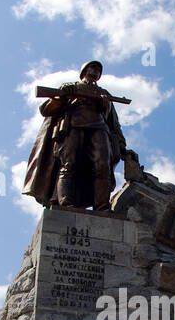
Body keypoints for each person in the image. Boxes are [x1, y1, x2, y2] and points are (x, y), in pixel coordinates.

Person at [23, 60, 127, 210]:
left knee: (102, 166)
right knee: (69, 165)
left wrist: (121, 143)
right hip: (73, 126)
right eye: (92, 67)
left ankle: (102, 207)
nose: (96, 70)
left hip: (99, 128)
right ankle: (65, 203)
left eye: (98, 69)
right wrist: (61, 96)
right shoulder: (72, 87)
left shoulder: (104, 93)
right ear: (84, 71)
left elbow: (114, 123)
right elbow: (46, 110)